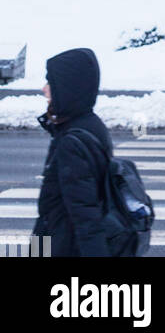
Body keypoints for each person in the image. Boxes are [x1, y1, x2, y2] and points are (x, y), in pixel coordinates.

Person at [34, 47, 113, 257]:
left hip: (62, 247)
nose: (44, 89)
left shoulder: (73, 140)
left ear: (67, 88)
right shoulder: (88, 125)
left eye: (50, 83)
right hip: (55, 241)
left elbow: (85, 214)